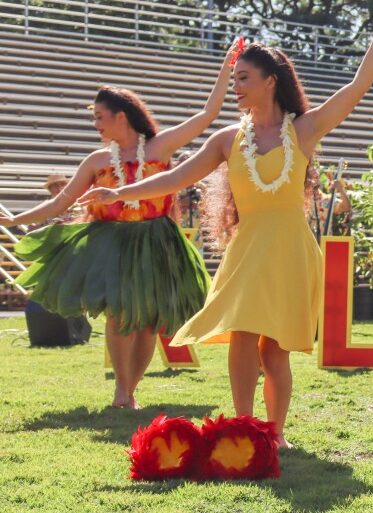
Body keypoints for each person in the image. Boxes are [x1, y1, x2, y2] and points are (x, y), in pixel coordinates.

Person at [81, 0, 373, 448]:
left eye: (243, 78)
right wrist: (121, 192)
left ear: (270, 80)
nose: (236, 87)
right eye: (234, 80)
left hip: (292, 250)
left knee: (274, 351)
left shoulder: (305, 130)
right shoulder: (228, 139)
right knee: (242, 339)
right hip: (249, 248)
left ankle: (275, 435)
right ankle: (244, 427)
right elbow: (173, 180)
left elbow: (357, 87)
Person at [1, 41, 239, 409]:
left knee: (147, 322)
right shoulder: (98, 160)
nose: (95, 123)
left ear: (121, 117)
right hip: (111, 244)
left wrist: (226, 68)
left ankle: (131, 390)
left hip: (156, 240)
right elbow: (61, 201)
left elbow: (208, 114)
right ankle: (120, 392)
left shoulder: (160, 147)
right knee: (117, 316)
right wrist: (16, 218)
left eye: (99, 116)